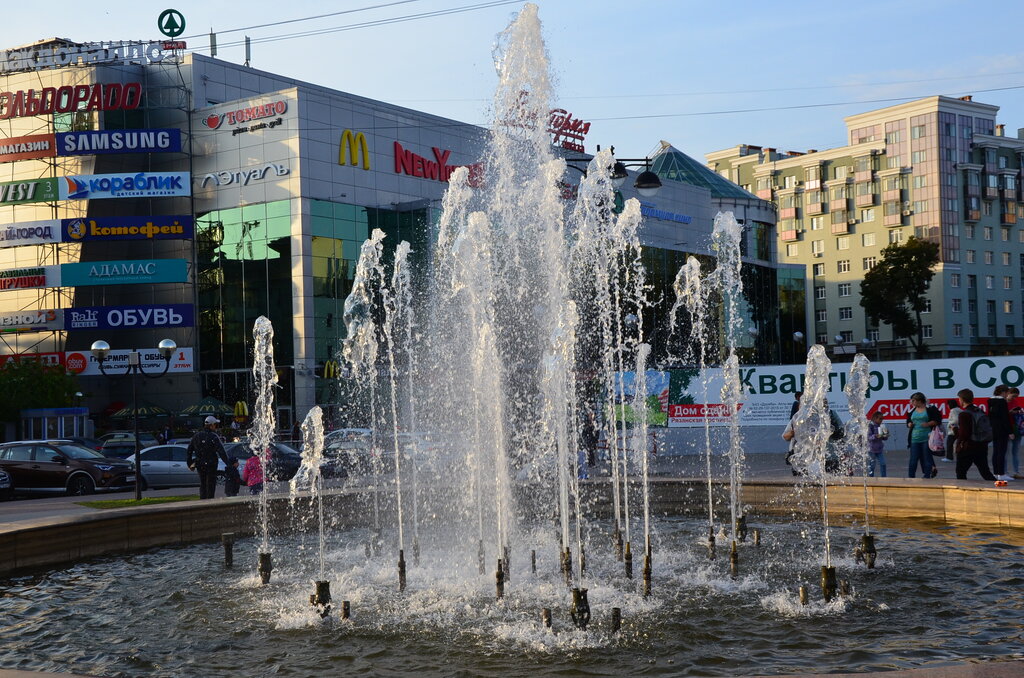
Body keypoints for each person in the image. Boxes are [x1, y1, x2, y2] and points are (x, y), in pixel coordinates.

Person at [955, 388, 997, 481]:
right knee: (985, 471)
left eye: (959, 399)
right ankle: (999, 488)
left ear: (962, 399)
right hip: (981, 445)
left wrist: (956, 434)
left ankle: (962, 492)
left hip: (968, 447)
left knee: (961, 472)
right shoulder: (979, 410)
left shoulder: (964, 414)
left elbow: (964, 434)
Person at [187, 416, 230, 500]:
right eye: (215, 425)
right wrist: (228, 464)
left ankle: (202, 501)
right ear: (211, 425)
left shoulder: (197, 436)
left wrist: (189, 463)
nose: (216, 427)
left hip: (200, 463)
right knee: (210, 484)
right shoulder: (213, 436)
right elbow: (221, 452)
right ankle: (209, 502)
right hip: (211, 464)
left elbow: (189, 450)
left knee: (203, 483)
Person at [904, 392, 940, 478]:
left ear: (919, 401)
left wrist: (928, 423)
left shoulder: (930, 409)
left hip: (926, 437)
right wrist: (909, 424)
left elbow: (937, 420)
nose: (911, 403)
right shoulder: (912, 410)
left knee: (926, 457)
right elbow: (908, 421)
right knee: (913, 459)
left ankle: (927, 475)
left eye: (913, 401)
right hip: (914, 438)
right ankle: (911, 476)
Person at [987, 384, 1015, 482]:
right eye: (1007, 393)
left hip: (994, 429)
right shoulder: (1002, 401)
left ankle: (996, 473)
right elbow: (1005, 418)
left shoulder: (990, 400)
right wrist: (1010, 432)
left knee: (996, 452)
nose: (1007, 395)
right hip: (1002, 430)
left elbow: (990, 416)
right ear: (1003, 392)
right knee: (1001, 452)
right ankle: (1001, 474)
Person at [867, 411, 888, 477]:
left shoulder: (882, 426)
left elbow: (884, 438)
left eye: (882, 419)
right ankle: (871, 477)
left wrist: (885, 435)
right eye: (880, 419)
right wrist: (875, 436)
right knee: (872, 465)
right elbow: (869, 437)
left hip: (879, 449)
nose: (881, 420)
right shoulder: (871, 426)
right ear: (875, 418)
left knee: (883, 463)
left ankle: (884, 477)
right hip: (871, 449)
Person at [1009, 387, 1023, 479]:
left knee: (1015, 451)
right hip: (1009, 428)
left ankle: (1016, 471)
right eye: (1013, 396)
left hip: (1016, 429)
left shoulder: (1015, 402)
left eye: (1016, 397)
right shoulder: (1004, 402)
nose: (1014, 398)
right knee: (1005, 452)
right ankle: (1004, 472)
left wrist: (1018, 411)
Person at [943, 398, 961, 463]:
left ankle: (949, 457)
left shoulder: (953, 410)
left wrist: (950, 423)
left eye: (947, 405)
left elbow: (956, 420)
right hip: (959, 429)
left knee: (949, 443)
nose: (947, 406)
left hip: (954, 430)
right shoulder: (959, 410)